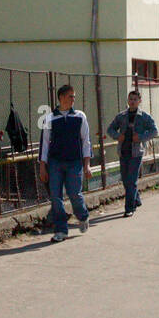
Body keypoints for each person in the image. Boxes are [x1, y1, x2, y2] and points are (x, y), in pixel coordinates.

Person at [38, 84, 94, 241]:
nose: (73, 99)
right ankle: (61, 230)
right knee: (55, 196)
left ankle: (82, 216)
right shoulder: (49, 118)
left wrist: (87, 164)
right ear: (61, 97)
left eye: (74, 97)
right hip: (55, 163)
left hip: (74, 162)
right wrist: (42, 167)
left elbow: (86, 141)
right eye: (70, 96)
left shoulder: (79, 116)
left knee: (74, 193)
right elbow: (45, 144)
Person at [107, 90, 158, 217]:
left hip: (136, 152)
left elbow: (154, 131)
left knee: (132, 180)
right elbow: (110, 129)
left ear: (139, 101)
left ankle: (129, 208)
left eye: (135, 99)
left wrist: (140, 137)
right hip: (123, 151)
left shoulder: (144, 116)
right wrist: (118, 136)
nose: (132, 101)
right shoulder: (121, 116)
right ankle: (136, 199)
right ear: (128, 101)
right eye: (130, 99)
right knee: (125, 180)